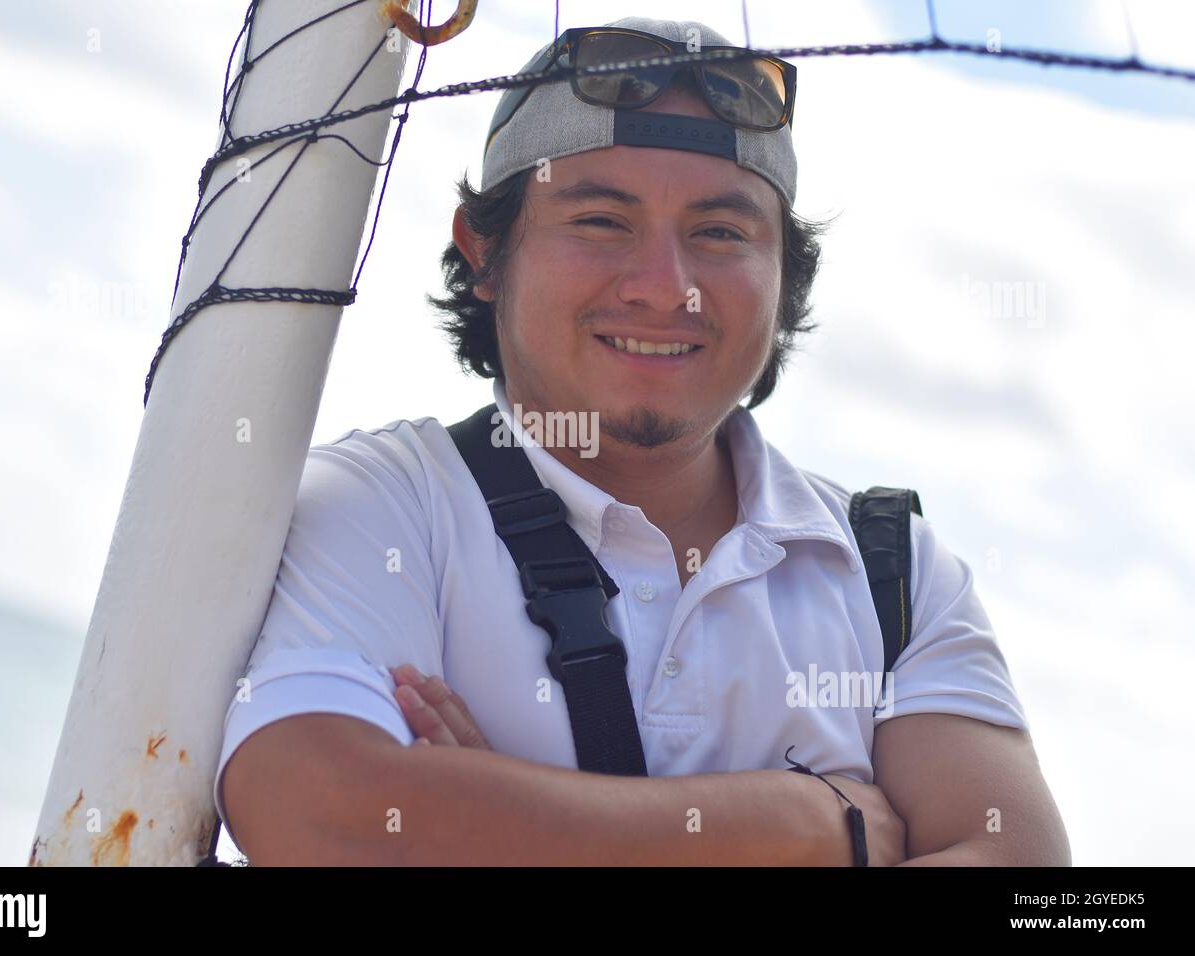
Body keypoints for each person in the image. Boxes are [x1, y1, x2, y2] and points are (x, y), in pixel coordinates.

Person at [215, 15, 1070, 866]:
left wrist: (504, 830)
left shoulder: (891, 569)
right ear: (483, 251)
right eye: (600, 221)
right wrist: (804, 822)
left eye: (720, 233)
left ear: (786, 278)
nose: (667, 288)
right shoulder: (383, 507)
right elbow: (313, 812)